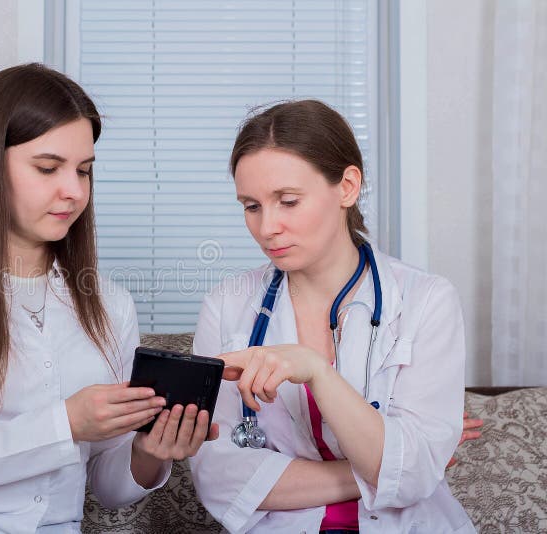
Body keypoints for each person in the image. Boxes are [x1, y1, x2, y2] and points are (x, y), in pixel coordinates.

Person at [0, 63, 215, 533]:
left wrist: (148, 452)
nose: (73, 192)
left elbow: (108, 487)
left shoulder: (109, 306)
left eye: (84, 171)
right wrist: (64, 424)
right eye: (48, 168)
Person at [188, 100, 475, 533]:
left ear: (347, 186)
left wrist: (317, 372)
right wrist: (384, 470)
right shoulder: (226, 306)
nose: (267, 228)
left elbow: (414, 475)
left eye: (287, 201)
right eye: (251, 206)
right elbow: (217, 477)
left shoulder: (426, 301)